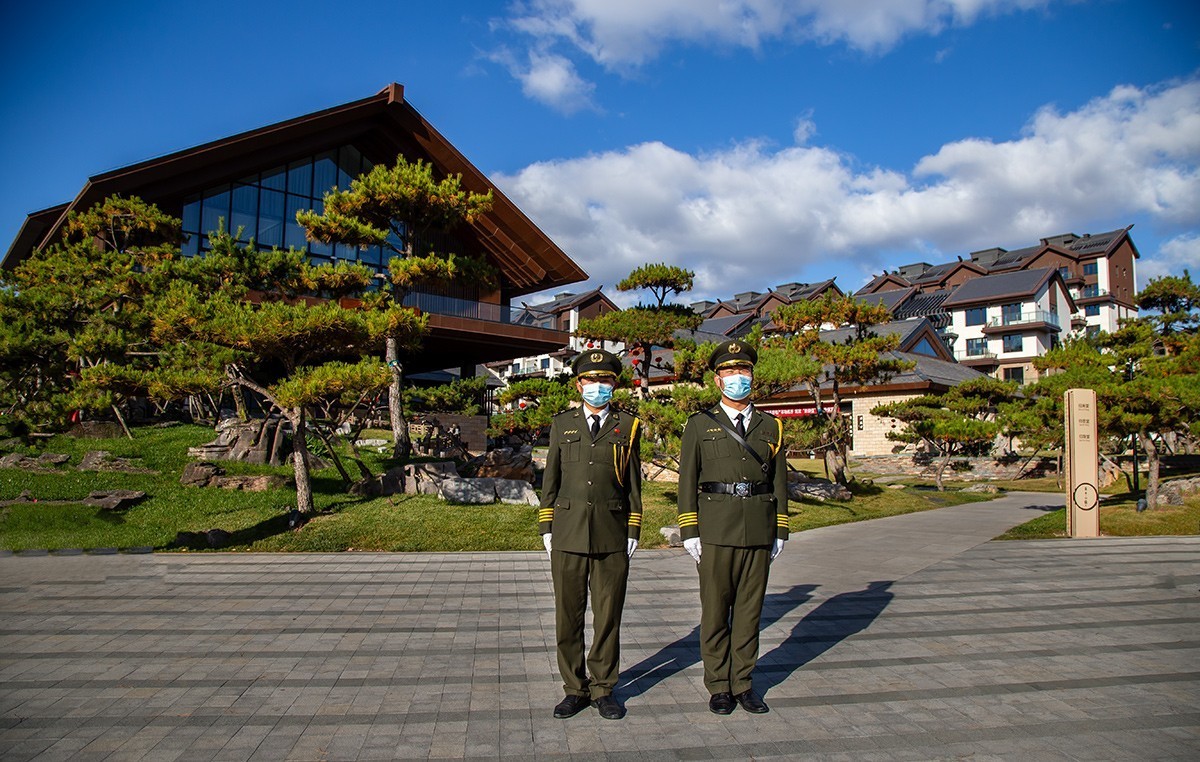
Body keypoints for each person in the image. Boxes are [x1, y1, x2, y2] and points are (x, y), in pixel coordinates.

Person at [677, 340, 788, 715]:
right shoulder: (699, 425)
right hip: (715, 529)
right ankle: (718, 684)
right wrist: (690, 530)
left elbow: (778, 482)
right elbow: (687, 481)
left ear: (752, 377)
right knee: (714, 610)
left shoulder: (771, 425)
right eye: (729, 372)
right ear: (716, 380)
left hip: (758, 527)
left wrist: (780, 530)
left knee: (749, 610)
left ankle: (743, 682)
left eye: (744, 371)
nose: (737, 377)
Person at [539, 349, 643, 721]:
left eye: (606, 380)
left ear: (614, 384)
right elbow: (550, 479)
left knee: (608, 615)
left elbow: (634, 484)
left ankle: (603, 688)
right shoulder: (562, 424)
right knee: (568, 615)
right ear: (579, 383)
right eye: (591, 380)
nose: (598, 386)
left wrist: (633, 528)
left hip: (612, 532)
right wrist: (546, 525)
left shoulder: (628, 425)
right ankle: (574, 688)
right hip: (567, 532)